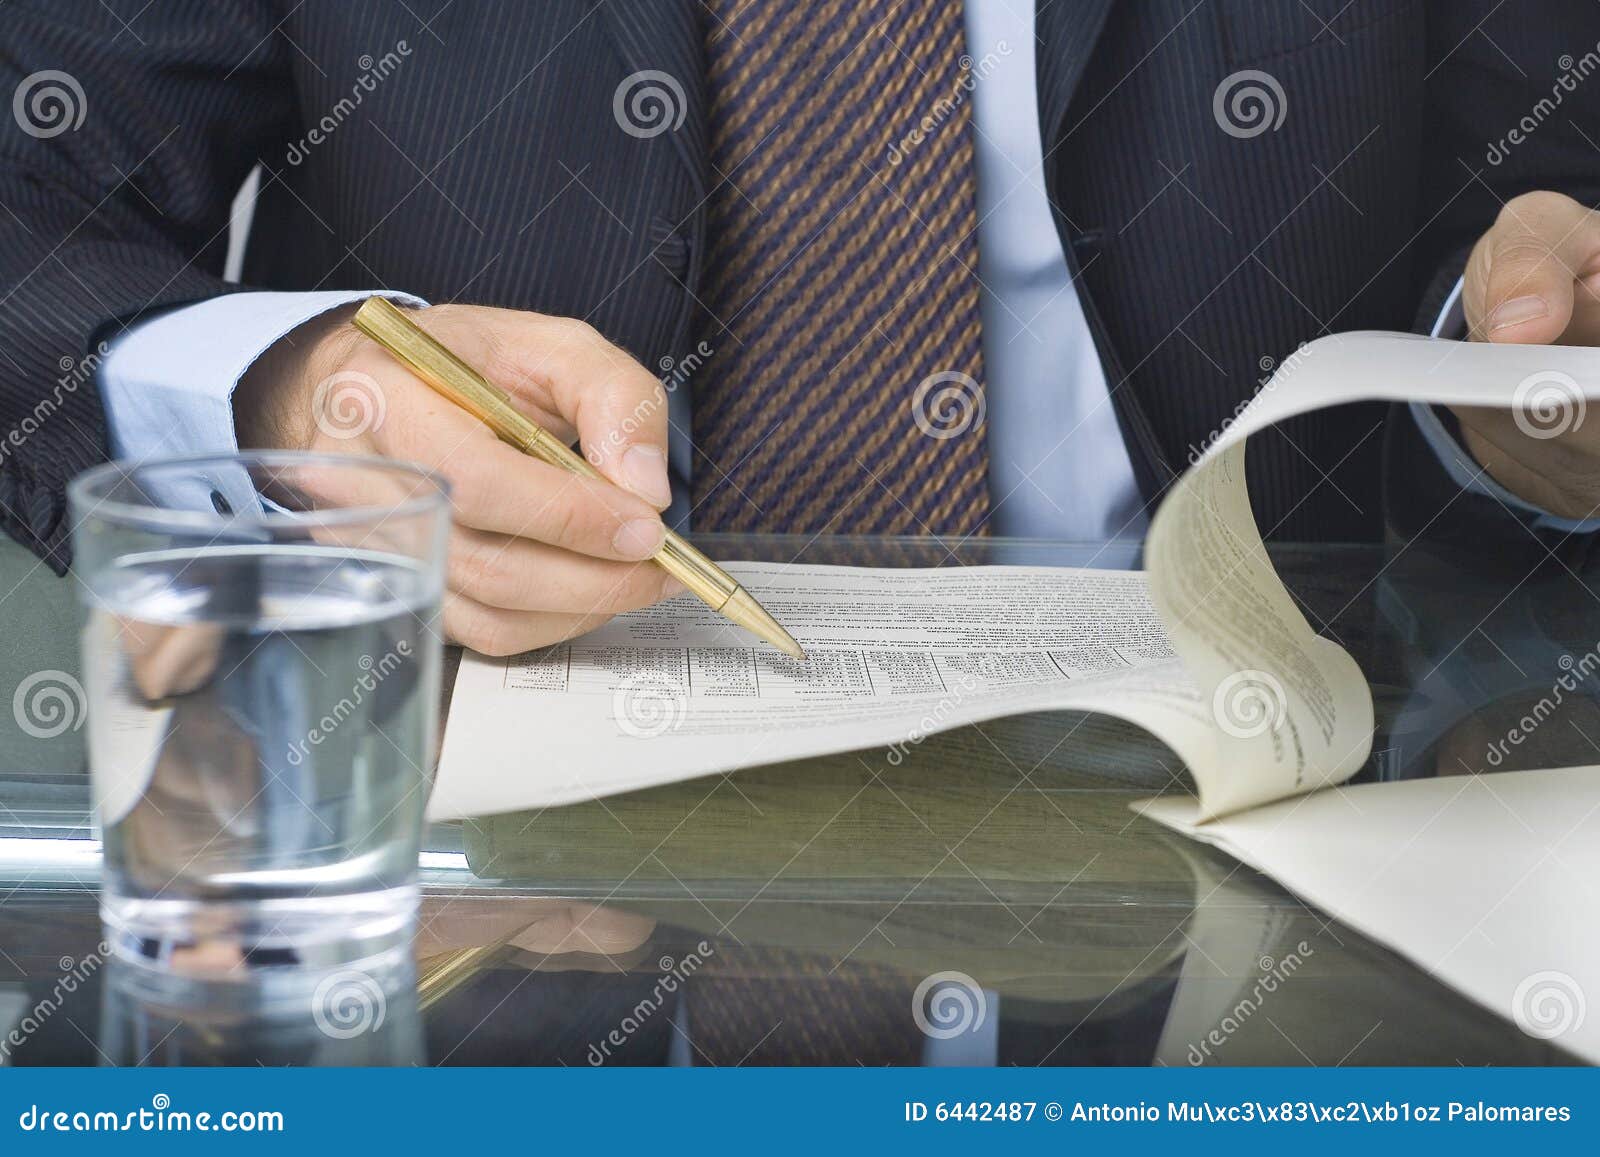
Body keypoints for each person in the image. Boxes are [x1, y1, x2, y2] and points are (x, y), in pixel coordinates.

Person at [2, 0, 1599, 656]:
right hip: (468, 797)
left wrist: (1518, 350)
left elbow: (1537, 163)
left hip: (1268, 762)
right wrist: (296, 400)